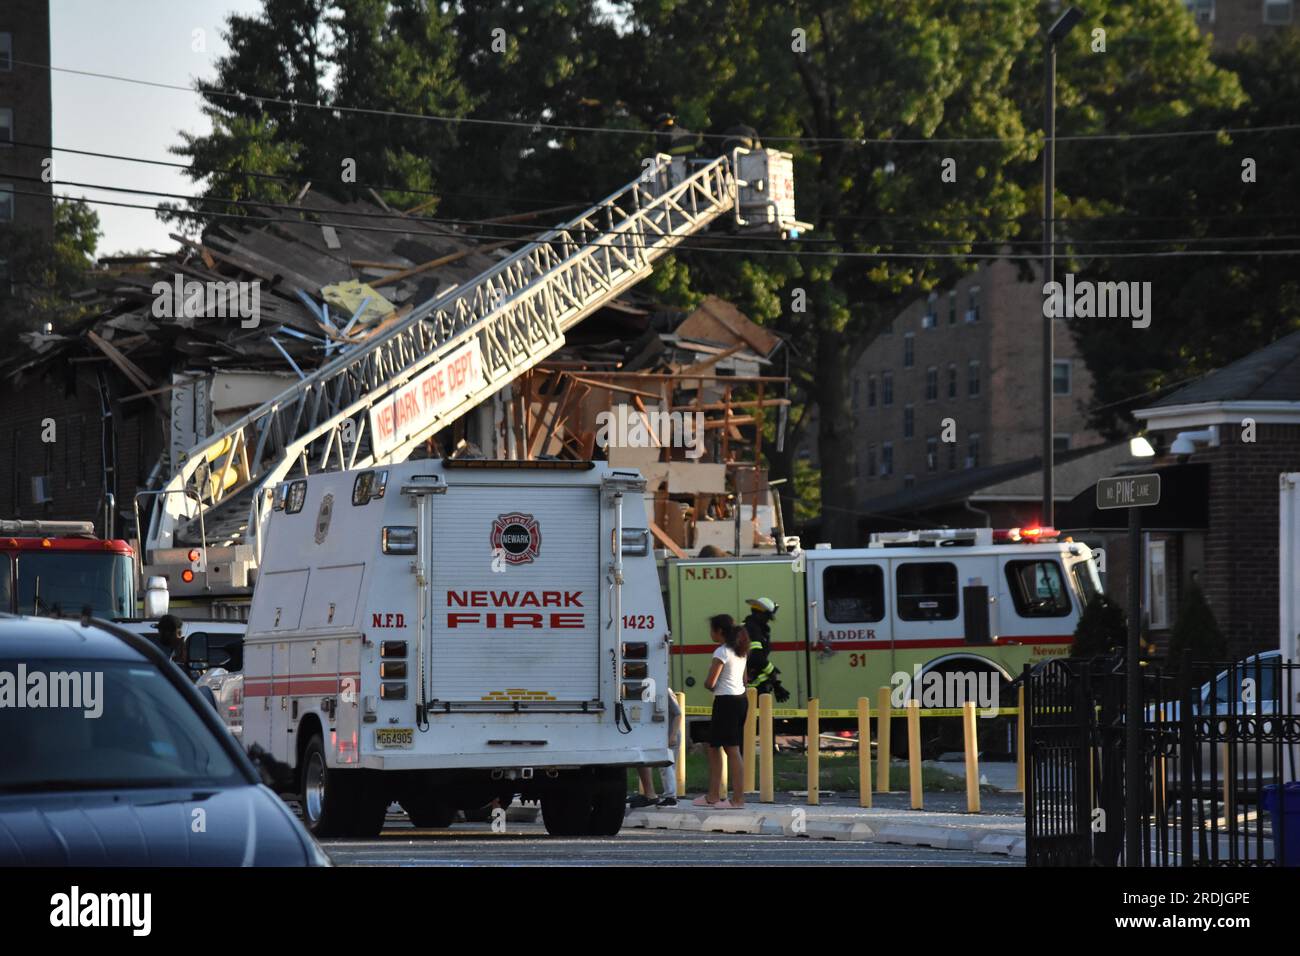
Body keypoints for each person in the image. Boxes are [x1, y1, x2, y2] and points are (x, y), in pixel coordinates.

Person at [694, 615, 748, 809]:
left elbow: (711, 682)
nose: (711, 633)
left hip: (726, 702)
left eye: (712, 630)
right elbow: (745, 679)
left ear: (719, 631)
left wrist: (709, 685)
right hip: (740, 700)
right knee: (714, 746)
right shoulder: (740, 651)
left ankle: (738, 799)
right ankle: (713, 795)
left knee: (731, 749)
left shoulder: (721, 652)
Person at [629, 684, 682, 808]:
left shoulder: (665, 691)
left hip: (670, 734)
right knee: (663, 765)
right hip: (662, 734)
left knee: (667, 766)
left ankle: (671, 797)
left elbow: (678, 714)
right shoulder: (650, 691)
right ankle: (668, 795)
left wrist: (673, 735)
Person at [742, 597, 790, 702]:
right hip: (753, 688)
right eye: (768, 617)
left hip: (752, 684)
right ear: (761, 614)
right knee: (759, 717)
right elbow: (756, 657)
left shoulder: (748, 626)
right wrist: (772, 671)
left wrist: (775, 684)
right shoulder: (753, 629)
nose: (767, 621)